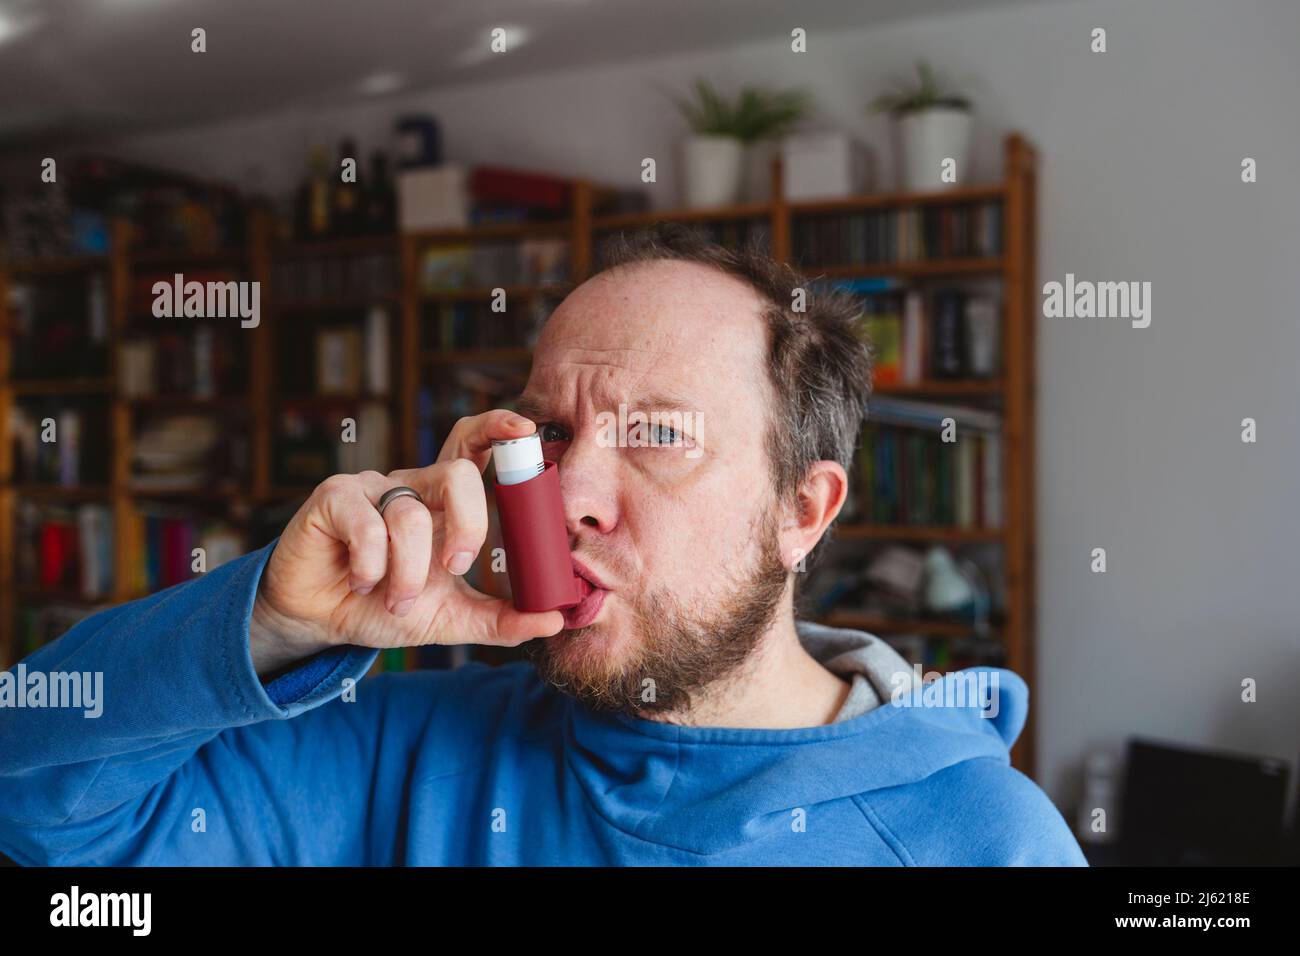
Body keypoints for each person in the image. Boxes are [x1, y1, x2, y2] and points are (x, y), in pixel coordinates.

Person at [0, 224, 1086, 866]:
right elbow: (39, 800)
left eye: (659, 436)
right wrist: (276, 623)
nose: (568, 494)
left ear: (801, 511)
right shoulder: (400, 751)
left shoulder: (983, 838)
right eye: (549, 434)